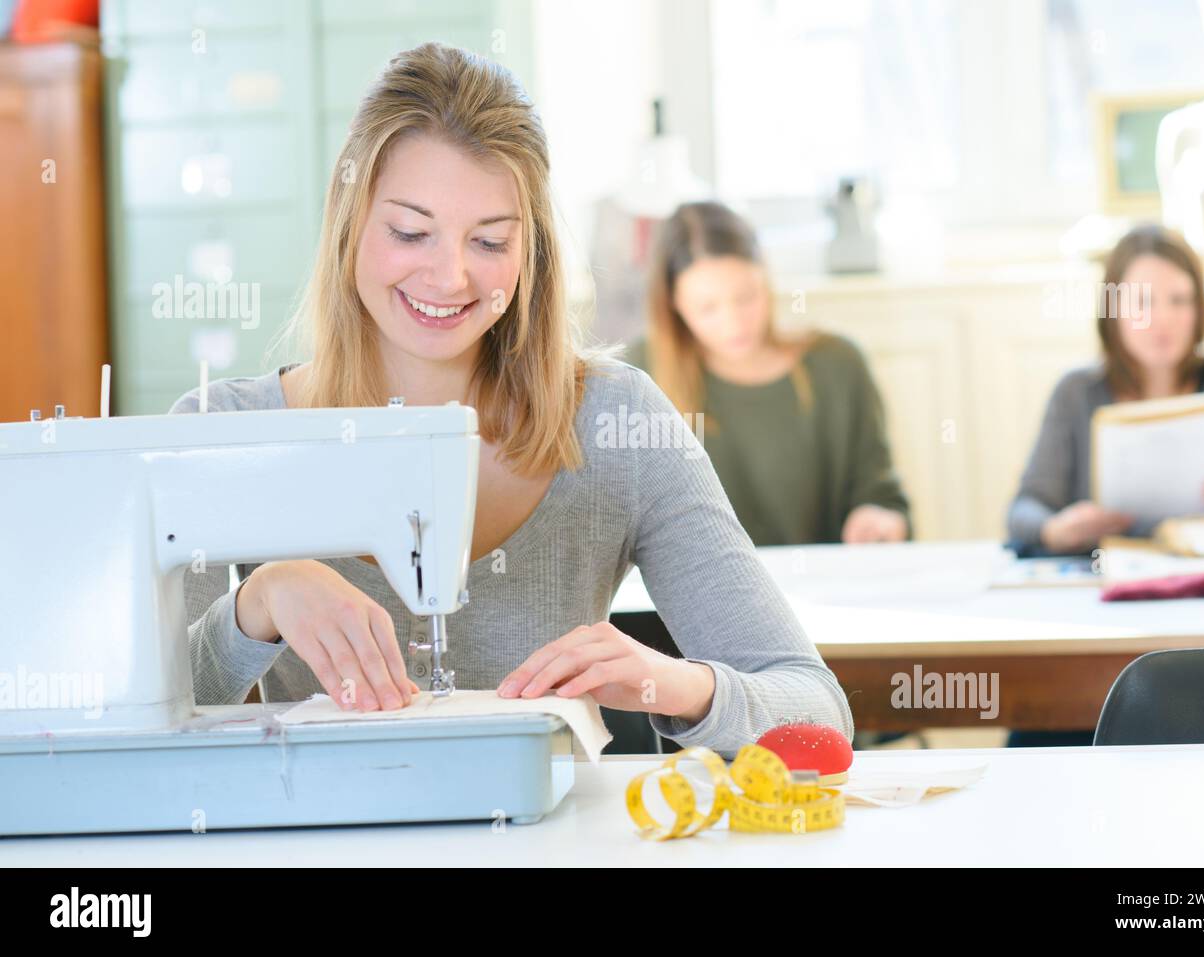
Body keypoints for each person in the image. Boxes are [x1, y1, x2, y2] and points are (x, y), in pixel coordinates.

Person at [170, 42, 853, 756]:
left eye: (490, 241)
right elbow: (139, 724)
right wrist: (258, 605)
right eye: (410, 231)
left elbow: (818, 714)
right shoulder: (222, 431)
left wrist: (678, 683)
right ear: (350, 227)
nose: (451, 275)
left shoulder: (617, 424)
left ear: (532, 252)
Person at [624, 201, 911, 546]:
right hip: (698, 595)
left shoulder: (837, 365)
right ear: (674, 304)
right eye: (708, 308)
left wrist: (879, 516)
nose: (734, 323)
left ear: (766, 279)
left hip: (825, 590)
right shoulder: (641, 373)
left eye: (747, 298)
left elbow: (881, 493)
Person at [1009, 223, 1204, 558]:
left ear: (1198, 307)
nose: (1162, 319)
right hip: (1105, 578)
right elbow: (1024, 509)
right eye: (1142, 302)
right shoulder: (1076, 392)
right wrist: (1053, 530)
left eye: (1179, 300)